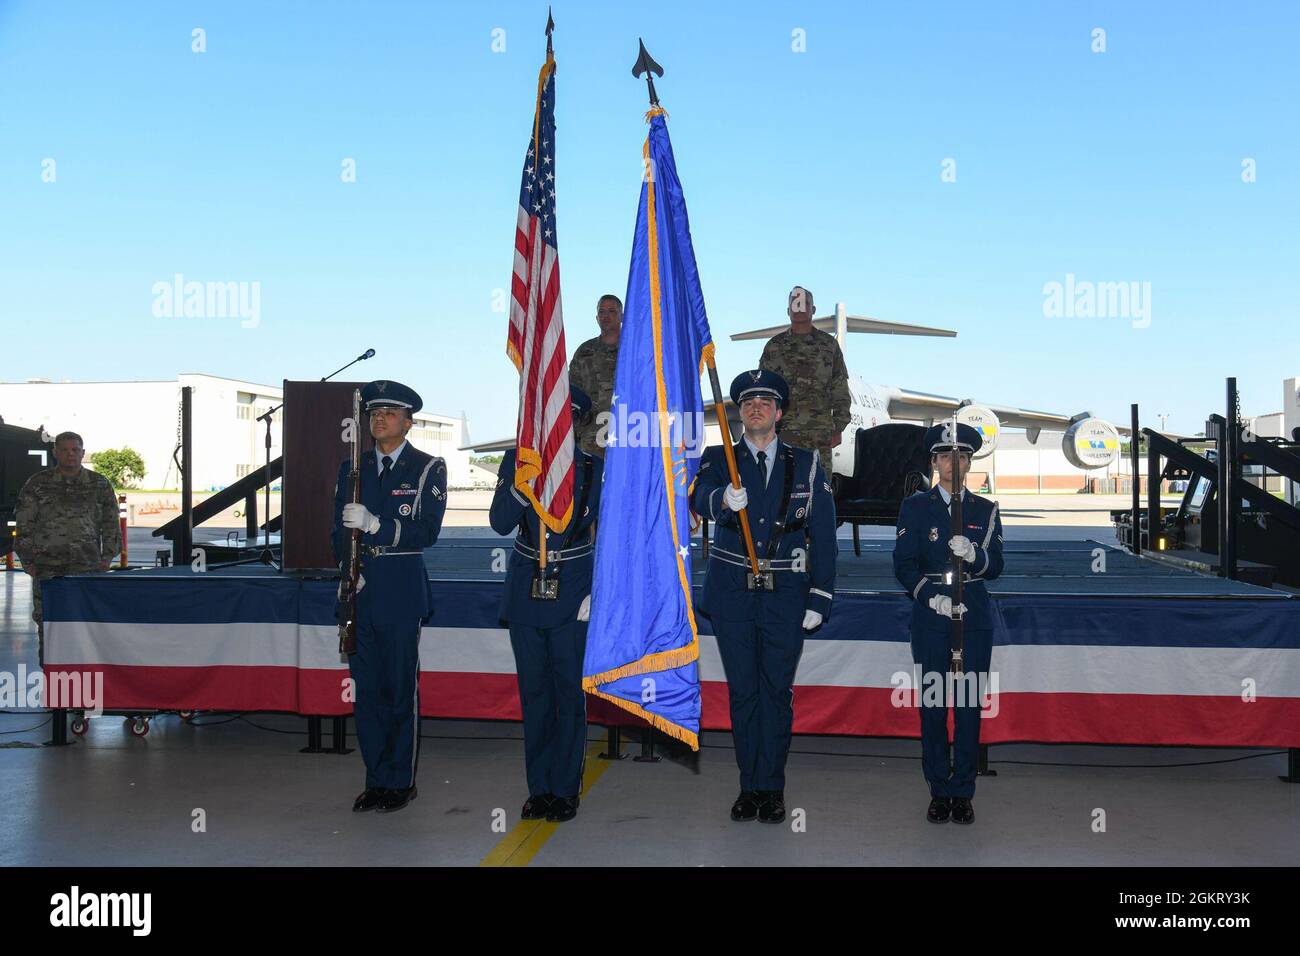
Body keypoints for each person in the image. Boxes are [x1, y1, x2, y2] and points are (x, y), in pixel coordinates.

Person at [689, 369, 837, 824]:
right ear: (739, 411)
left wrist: (820, 597)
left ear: (779, 413)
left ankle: (771, 788)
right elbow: (694, 498)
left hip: (786, 596)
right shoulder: (719, 459)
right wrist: (719, 500)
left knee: (776, 693)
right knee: (743, 694)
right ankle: (747, 786)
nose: (756, 407)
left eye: (765, 401)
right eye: (748, 401)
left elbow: (824, 537)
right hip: (734, 595)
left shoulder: (808, 463)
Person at [489, 386, 603, 824]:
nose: (556, 428)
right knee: (535, 695)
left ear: (575, 423)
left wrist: (599, 591)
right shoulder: (517, 463)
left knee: (569, 697)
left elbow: (610, 536)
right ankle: (539, 789)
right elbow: (500, 522)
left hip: (574, 589)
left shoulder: (594, 469)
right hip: (525, 590)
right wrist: (523, 487)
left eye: (565, 419)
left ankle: (565, 789)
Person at [332, 380, 447, 814]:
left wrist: (378, 526)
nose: (379, 419)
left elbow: (427, 531)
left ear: (408, 421)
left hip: (399, 591)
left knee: (399, 691)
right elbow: (335, 529)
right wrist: (349, 571)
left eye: (390, 413)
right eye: (374, 413)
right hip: (360, 591)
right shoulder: (353, 468)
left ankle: (400, 781)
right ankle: (375, 779)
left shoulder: (427, 467)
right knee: (368, 695)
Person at [892, 422, 1003, 825]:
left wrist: (975, 554)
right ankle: (939, 790)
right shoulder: (915, 507)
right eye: (945, 456)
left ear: (970, 462)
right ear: (935, 462)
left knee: (969, 707)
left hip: (972, 615)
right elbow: (903, 565)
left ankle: (963, 792)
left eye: (961, 456)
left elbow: (997, 566)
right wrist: (929, 597)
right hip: (932, 615)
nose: (953, 464)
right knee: (935, 707)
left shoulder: (985, 510)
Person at [14, 431, 121, 665]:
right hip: (47, 567)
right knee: (47, 622)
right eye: (64, 449)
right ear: (55, 453)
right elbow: (24, 524)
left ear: (83, 453)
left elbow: (110, 523)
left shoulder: (99, 484)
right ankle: (53, 679)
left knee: (85, 622)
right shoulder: (38, 484)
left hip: (87, 566)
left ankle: (83, 680)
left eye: (75, 450)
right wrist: (28, 560)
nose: (70, 454)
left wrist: (107, 557)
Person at [758, 286, 853, 478]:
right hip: (783, 432)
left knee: (820, 490)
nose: (799, 308)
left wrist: (838, 426)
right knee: (783, 490)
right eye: (795, 304)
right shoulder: (774, 347)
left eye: (804, 304)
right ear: (788, 311)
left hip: (819, 434)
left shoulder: (828, 346)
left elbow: (840, 388)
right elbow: (763, 390)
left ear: (813, 309)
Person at [568, 294, 622, 457]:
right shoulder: (584, 352)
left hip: (630, 438)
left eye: (612, 311)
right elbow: (571, 395)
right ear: (596, 317)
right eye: (601, 311)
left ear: (622, 316)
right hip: (590, 442)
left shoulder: (636, 351)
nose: (606, 316)